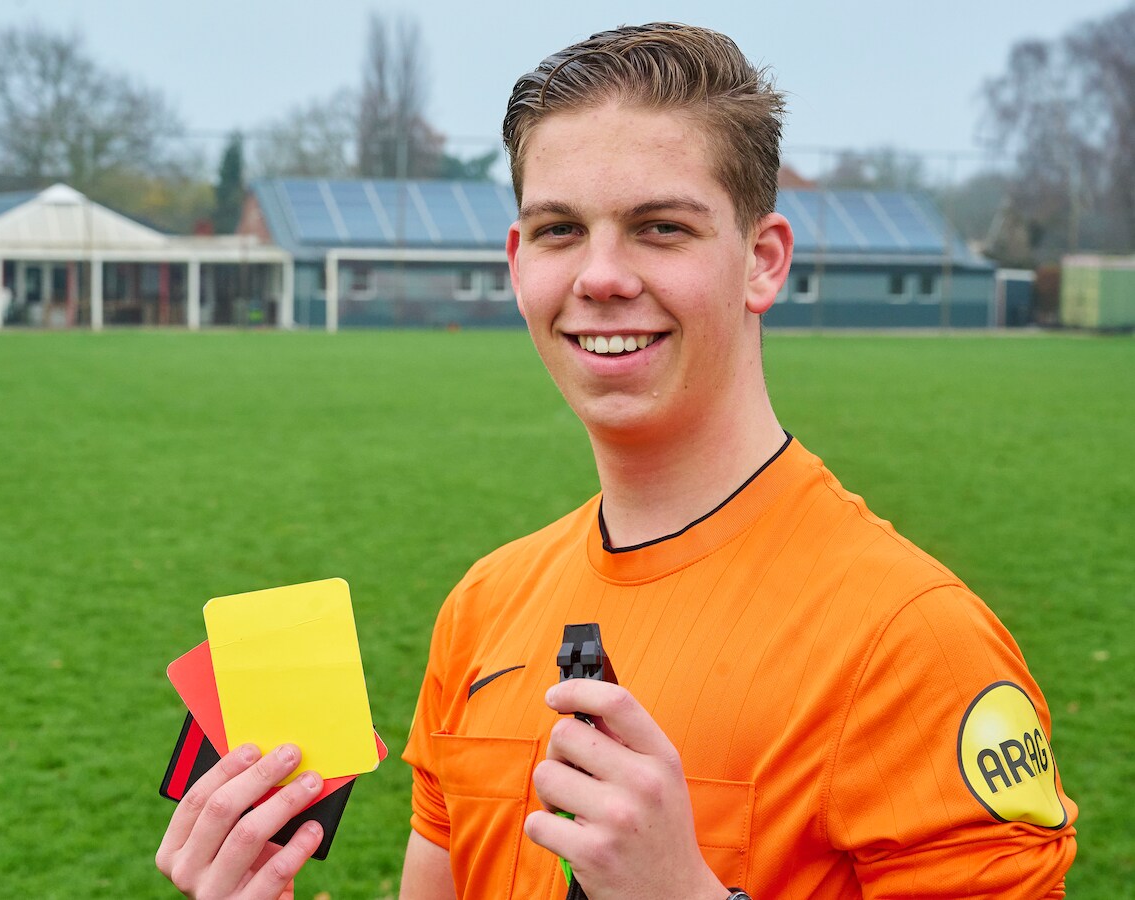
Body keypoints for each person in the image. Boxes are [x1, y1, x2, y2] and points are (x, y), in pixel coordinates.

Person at [157, 22, 1077, 899]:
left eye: (660, 228)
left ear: (762, 261)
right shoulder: (484, 608)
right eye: (560, 230)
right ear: (519, 264)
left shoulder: (913, 647)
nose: (599, 276)